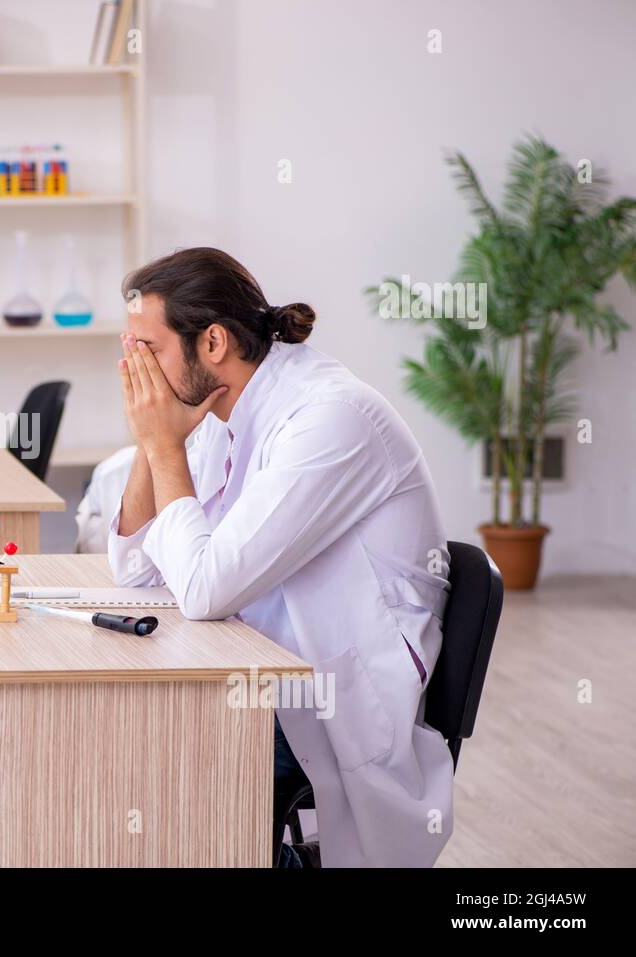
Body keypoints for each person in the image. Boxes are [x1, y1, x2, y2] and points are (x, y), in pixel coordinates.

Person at [109, 247, 453, 868]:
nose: (136, 370)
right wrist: (152, 440)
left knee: (145, 761)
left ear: (212, 342)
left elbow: (206, 590)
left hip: (326, 700)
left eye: (148, 350)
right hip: (256, 671)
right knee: (118, 737)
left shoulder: (329, 418)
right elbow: (137, 569)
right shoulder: (220, 412)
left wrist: (163, 444)